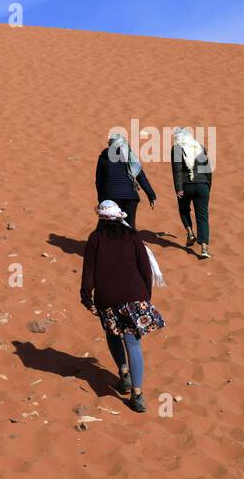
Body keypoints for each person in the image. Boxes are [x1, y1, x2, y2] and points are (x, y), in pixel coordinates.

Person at [80, 199, 166, 413]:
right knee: (133, 344)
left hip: (107, 298)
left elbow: (88, 272)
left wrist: (86, 297)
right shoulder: (133, 236)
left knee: (112, 334)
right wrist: (145, 294)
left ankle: (124, 373)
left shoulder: (95, 238)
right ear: (120, 217)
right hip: (134, 297)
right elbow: (145, 268)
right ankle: (137, 395)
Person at [95, 130, 157, 230]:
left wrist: (102, 200)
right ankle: (130, 244)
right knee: (129, 228)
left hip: (110, 197)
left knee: (110, 227)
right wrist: (151, 195)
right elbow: (140, 176)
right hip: (130, 197)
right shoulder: (129, 155)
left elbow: (99, 181)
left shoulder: (103, 156)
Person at [171, 127, 213, 259]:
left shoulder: (177, 148)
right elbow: (208, 170)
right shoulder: (200, 147)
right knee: (202, 216)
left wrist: (178, 188)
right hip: (203, 186)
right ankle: (204, 248)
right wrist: (207, 186)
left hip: (186, 185)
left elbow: (177, 170)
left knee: (183, 210)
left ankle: (190, 233)